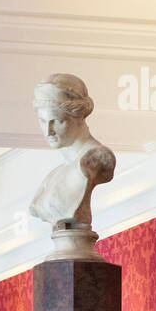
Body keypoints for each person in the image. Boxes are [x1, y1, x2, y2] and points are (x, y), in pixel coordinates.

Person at [29, 74, 116, 231]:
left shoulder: (96, 159)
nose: (48, 131)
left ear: (79, 116)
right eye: (42, 121)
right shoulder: (54, 174)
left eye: (57, 121)